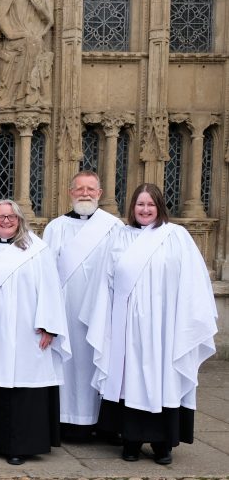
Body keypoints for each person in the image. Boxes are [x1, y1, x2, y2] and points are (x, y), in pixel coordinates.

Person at [82, 183, 217, 465]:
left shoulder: (175, 236)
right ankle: (130, 440)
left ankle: (162, 443)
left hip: (164, 325)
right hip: (127, 325)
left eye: (150, 205)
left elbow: (193, 282)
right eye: (140, 205)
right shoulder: (120, 237)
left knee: (161, 378)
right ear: (132, 208)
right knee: (128, 379)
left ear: (160, 208)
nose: (144, 210)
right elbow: (106, 281)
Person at [0, 200, 69, 465]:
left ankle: (19, 444)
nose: (5, 221)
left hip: (26, 330)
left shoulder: (36, 250)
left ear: (20, 220)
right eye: (0, 217)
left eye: (11, 216)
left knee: (21, 385)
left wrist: (50, 325)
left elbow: (50, 288)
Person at [42, 171, 123, 441]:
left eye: (91, 189)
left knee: (97, 361)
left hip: (101, 311)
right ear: (70, 192)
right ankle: (64, 421)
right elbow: (46, 273)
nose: (85, 193)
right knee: (66, 363)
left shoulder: (113, 227)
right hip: (65, 310)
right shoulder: (56, 227)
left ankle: (101, 423)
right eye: (79, 189)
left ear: (100, 193)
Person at [0, 0, 54, 109]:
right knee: (30, 44)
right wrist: (10, 33)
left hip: (34, 40)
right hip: (15, 39)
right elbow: (1, 14)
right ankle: (17, 97)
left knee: (33, 44)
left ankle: (31, 96)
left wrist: (39, 7)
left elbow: (50, 22)